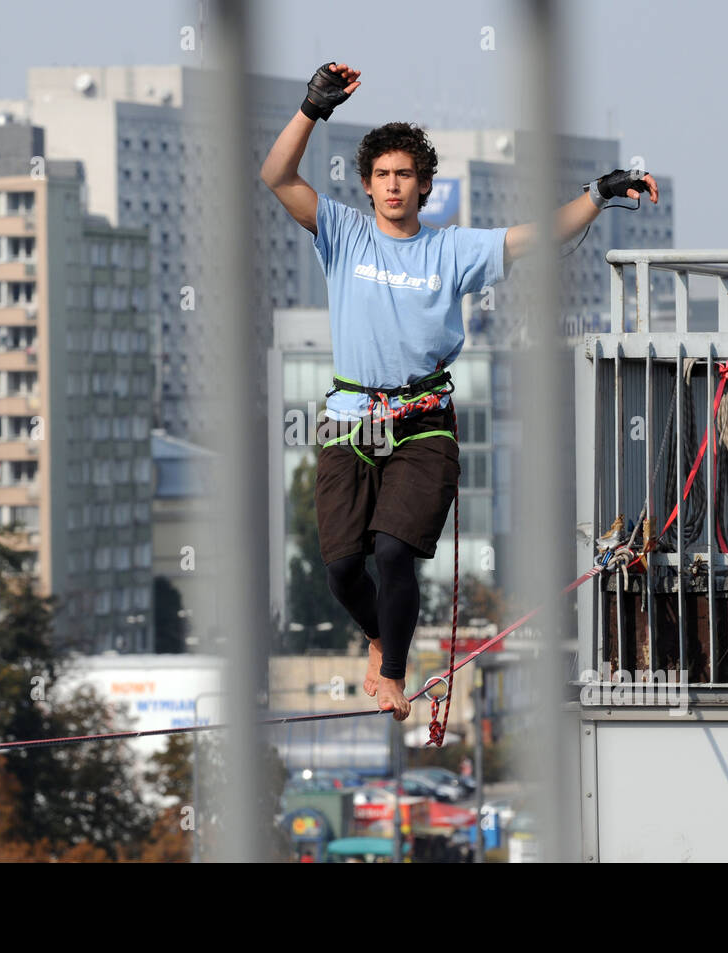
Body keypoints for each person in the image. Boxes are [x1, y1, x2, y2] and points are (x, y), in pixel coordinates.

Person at [259, 62, 658, 721]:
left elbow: (537, 236)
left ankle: (392, 673)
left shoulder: (450, 250)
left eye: (404, 176)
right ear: (367, 185)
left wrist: (600, 190)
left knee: (392, 551)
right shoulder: (344, 232)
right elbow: (276, 177)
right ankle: (380, 635)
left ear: (422, 186)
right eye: (382, 175)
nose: (393, 186)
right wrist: (311, 109)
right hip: (349, 418)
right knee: (340, 566)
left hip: (422, 422)